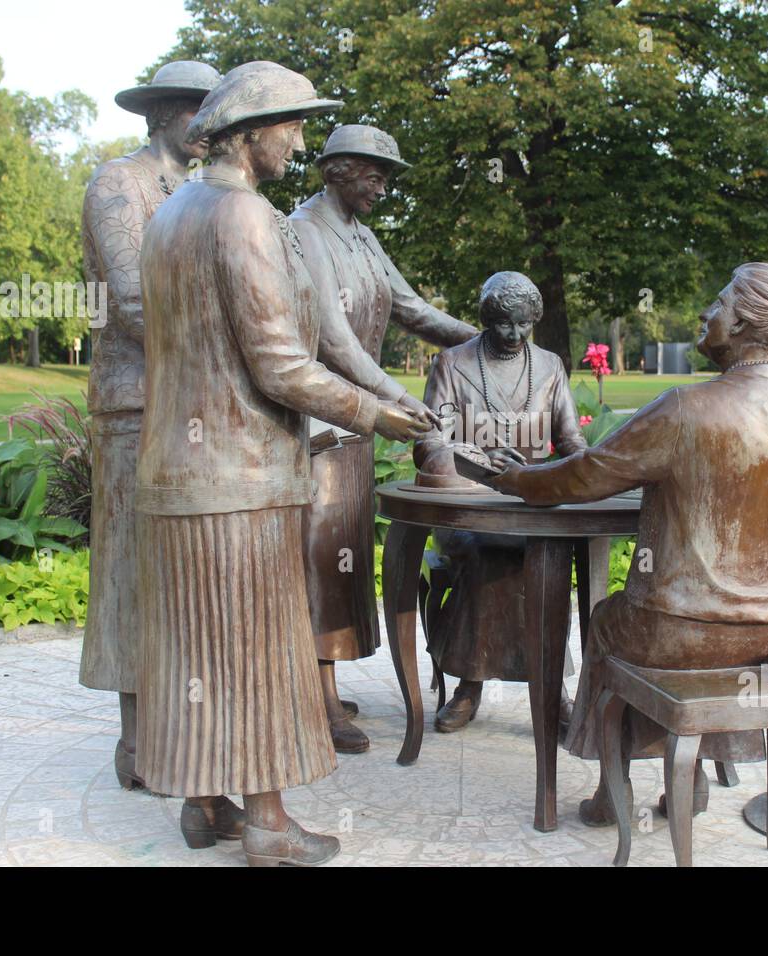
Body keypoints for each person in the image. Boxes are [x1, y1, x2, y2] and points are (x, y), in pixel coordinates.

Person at [135, 61, 434, 866]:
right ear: (250, 131)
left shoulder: (170, 215)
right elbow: (280, 365)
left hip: (174, 473)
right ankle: (268, 823)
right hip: (241, 475)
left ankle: (207, 805)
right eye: (293, 127)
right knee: (257, 646)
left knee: (199, 646)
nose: (299, 143)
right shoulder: (247, 218)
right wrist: (378, 414)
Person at [490, 263, 768, 824]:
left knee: (608, 621)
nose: (707, 312)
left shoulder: (685, 409)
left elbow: (586, 474)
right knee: (647, 631)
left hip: (683, 631)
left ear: (745, 320)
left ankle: (612, 790)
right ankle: (691, 773)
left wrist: (515, 479)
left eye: (720, 302)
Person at [291, 125, 477, 755]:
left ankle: (320, 681)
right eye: (373, 175)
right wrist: (396, 399)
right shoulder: (304, 231)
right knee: (319, 552)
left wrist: (492, 339)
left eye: (387, 178)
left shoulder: (364, 238)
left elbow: (414, 310)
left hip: (360, 420)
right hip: (320, 418)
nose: (382, 188)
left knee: (343, 549)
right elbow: (333, 339)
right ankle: (315, 699)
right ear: (336, 169)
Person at [78, 60, 220, 792]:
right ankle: (136, 740)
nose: (213, 124)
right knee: (132, 570)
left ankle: (181, 723)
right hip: (136, 402)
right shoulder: (117, 185)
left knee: (180, 570)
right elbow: (132, 303)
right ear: (166, 113)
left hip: (191, 403)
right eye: (201, 110)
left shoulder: (198, 193)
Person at [413, 271, 587, 732]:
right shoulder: (453, 363)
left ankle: (552, 686)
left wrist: (592, 471)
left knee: (545, 551)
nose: (514, 335)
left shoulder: (549, 366)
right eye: (505, 324)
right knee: (489, 549)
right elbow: (429, 442)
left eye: (524, 325)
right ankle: (471, 682)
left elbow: (571, 441)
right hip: (468, 504)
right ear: (488, 319)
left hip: (529, 504)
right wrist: (479, 457)